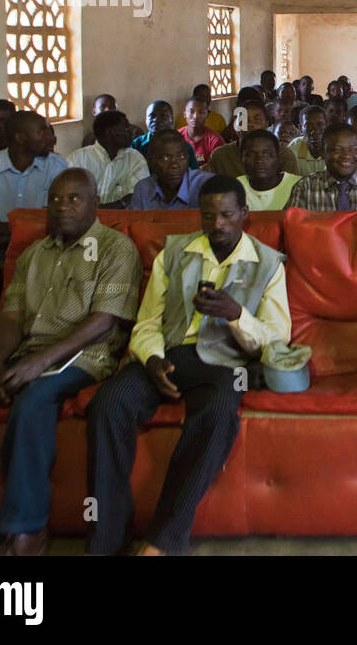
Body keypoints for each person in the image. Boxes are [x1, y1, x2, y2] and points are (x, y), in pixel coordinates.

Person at [0, 169, 141, 556]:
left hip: (83, 355)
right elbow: (11, 318)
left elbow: (104, 321)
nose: (63, 206)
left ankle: (26, 530)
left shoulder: (115, 247)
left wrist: (39, 364)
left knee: (33, 399)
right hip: (23, 352)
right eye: (55, 199)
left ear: (94, 203)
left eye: (74, 198)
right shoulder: (34, 254)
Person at [86, 175, 289, 555]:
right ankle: (106, 540)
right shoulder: (174, 253)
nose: (218, 225)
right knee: (107, 404)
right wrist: (153, 358)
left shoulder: (268, 264)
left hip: (229, 362)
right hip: (172, 354)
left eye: (227, 215)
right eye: (209, 215)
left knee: (217, 412)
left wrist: (235, 314)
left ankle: (162, 542)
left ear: (244, 214)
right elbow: (148, 321)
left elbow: (277, 339)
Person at [0, 111, 68, 240]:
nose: (50, 137)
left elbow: (56, 220)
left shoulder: (56, 166)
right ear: (21, 138)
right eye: (42, 132)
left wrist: (5, 228)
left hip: (43, 247)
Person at [286, 123, 357, 212]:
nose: (347, 155)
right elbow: (295, 230)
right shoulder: (305, 187)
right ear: (323, 152)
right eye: (337, 150)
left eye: (354, 149)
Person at [67, 110, 150, 208]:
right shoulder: (78, 159)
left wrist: (106, 208)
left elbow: (139, 195)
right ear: (109, 132)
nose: (132, 132)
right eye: (126, 128)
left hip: (122, 219)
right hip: (83, 219)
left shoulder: (135, 159)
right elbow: (68, 195)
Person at [207, 100, 299, 178]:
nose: (250, 124)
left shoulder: (283, 154)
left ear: (266, 124)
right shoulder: (220, 156)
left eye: (257, 120)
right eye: (244, 120)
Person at [128, 131, 215, 210]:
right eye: (165, 158)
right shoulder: (143, 189)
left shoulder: (205, 184)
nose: (174, 165)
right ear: (151, 161)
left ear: (188, 158)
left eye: (181, 157)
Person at [237, 130, 300, 210]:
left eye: (266, 154)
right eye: (252, 154)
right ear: (242, 158)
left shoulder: (298, 186)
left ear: (278, 158)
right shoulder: (235, 188)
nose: (259, 160)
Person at [130, 100, 199, 169]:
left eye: (163, 116)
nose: (156, 119)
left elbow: (195, 174)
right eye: (152, 116)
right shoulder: (136, 145)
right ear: (146, 120)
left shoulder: (184, 146)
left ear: (172, 119)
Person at [180, 95, 223, 167]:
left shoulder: (215, 141)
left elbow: (216, 169)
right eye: (191, 111)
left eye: (201, 112)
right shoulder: (177, 137)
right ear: (184, 114)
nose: (195, 116)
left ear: (207, 115)